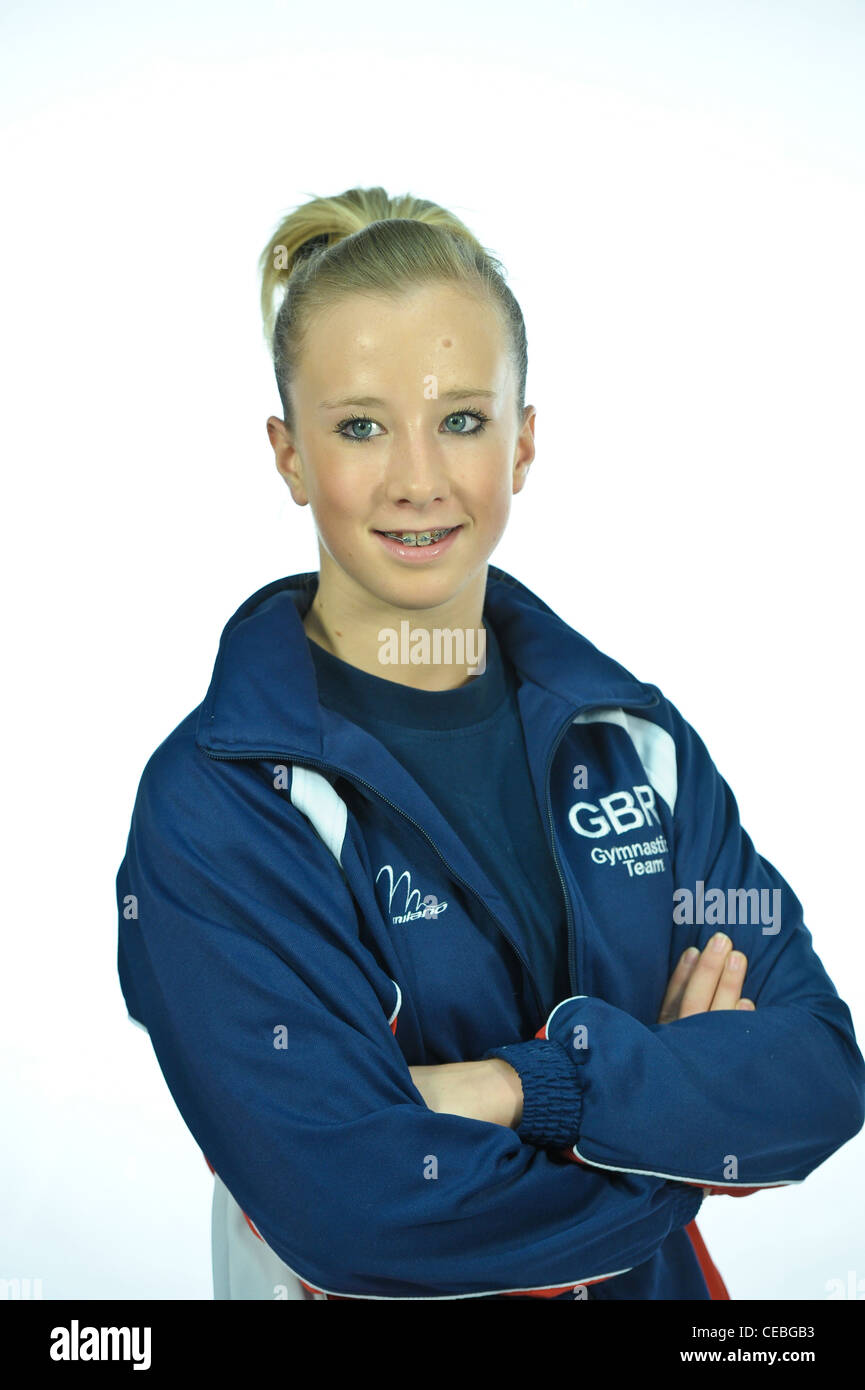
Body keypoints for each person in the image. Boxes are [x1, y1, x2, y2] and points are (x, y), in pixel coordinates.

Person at [116, 185, 865, 1301]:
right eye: (359, 425)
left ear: (522, 441)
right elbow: (357, 1209)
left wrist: (525, 1089)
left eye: (461, 419)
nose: (418, 477)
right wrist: (675, 1115)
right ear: (286, 455)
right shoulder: (220, 807)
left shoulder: (631, 743)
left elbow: (816, 1074)